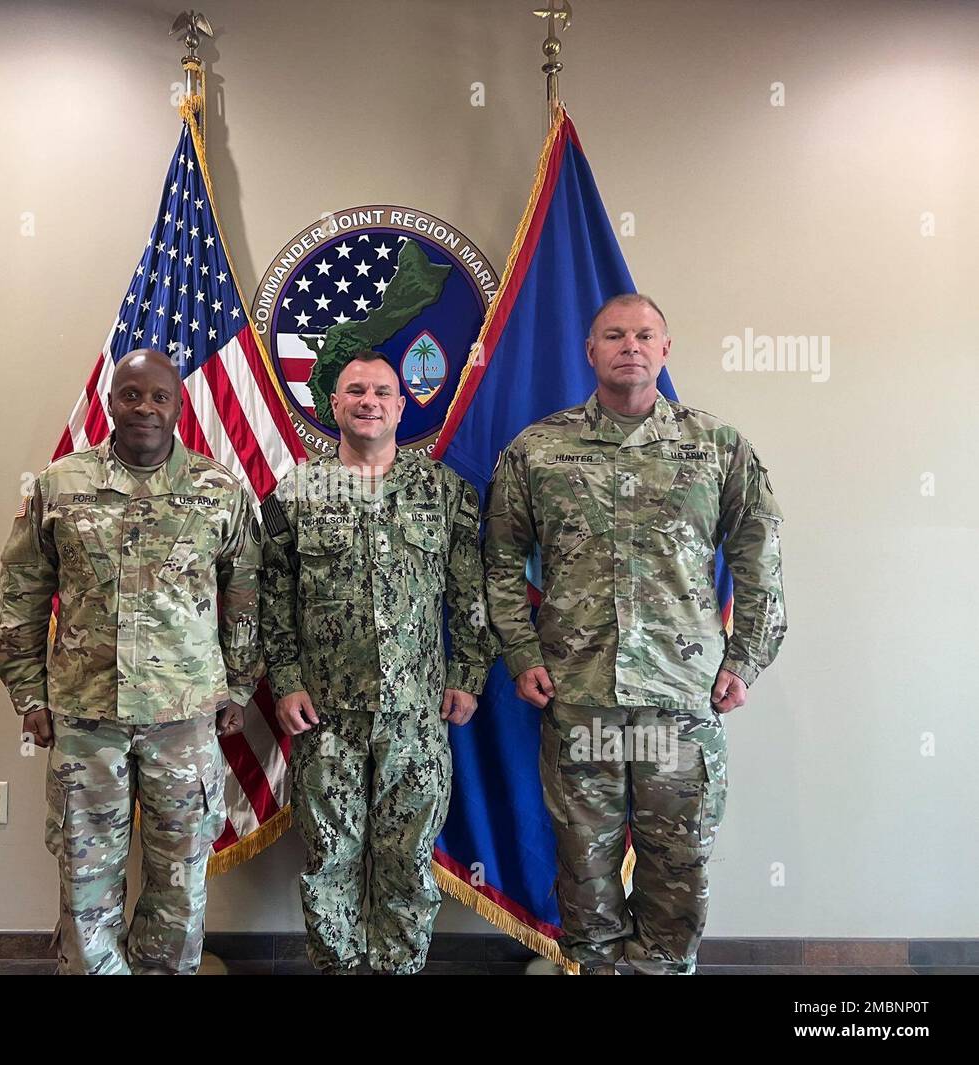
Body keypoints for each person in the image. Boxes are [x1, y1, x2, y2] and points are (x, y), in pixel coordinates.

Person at [483, 294, 786, 975]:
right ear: (589, 351)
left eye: (645, 334)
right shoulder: (539, 449)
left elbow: (759, 557)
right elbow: (499, 560)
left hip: (681, 701)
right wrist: (520, 650)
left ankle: (662, 969)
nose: (630, 345)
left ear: (665, 349)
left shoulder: (716, 447)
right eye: (614, 334)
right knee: (584, 865)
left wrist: (747, 657)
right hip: (579, 693)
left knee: (677, 865)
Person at [0, 349, 259, 975]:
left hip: (185, 720)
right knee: (86, 883)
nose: (144, 407)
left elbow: (246, 591)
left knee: (180, 883)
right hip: (86, 719)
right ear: (110, 403)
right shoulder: (60, 485)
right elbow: (22, 591)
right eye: (130, 394)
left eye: (158, 396)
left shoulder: (218, 490)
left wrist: (240, 689)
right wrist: (28, 696)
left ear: (178, 406)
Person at [260, 350, 497, 974]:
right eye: (355, 391)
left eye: (382, 391)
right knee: (330, 860)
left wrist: (468, 677)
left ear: (402, 404)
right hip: (325, 716)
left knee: (409, 861)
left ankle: (398, 969)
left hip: (416, 714)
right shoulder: (298, 491)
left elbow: (470, 593)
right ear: (332, 405)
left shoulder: (442, 490)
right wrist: (284, 682)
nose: (369, 401)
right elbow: (272, 599)